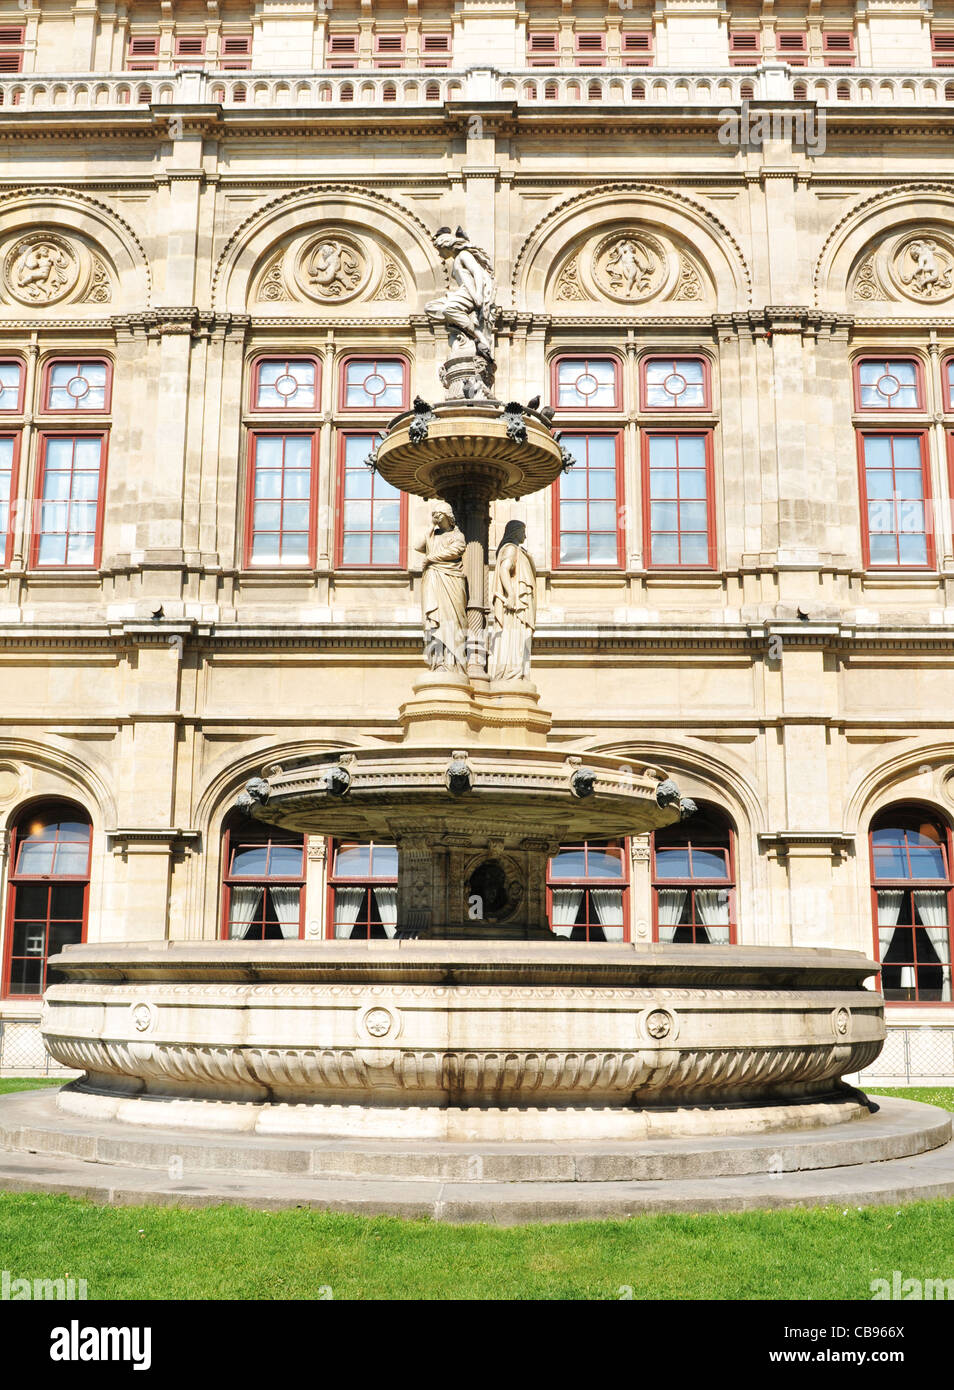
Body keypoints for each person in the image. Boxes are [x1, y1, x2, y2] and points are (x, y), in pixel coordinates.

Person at [418, 504, 467, 672]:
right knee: (435, 619)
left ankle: (453, 663)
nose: (437, 518)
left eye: (440, 515)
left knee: (452, 620)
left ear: (448, 516)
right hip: (433, 580)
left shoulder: (457, 535)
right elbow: (418, 546)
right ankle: (438, 662)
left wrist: (431, 557)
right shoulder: (433, 535)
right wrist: (431, 526)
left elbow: (457, 550)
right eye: (435, 515)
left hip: (452, 580)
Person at [489, 520, 536, 682]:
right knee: (515, 636)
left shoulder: (518, 550)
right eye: (523, 531)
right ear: (515, 532)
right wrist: (510, 594)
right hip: (515, 607)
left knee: (521, 637)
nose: (525, 535)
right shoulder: (511, 549)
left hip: (520, 606)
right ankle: (512, 671)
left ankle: (517, 670)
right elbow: (504, 569)